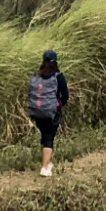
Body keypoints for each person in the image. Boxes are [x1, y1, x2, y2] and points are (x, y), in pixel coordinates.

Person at [28, 48, 68, 176]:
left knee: (44, 136)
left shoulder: (36, 76)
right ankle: (45, 168)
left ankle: (46, 162)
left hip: (37, 112)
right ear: (55, 62)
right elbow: (65, 95)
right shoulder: (58, 77)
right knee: (49, 138)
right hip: (51, 112)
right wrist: (59, 104)